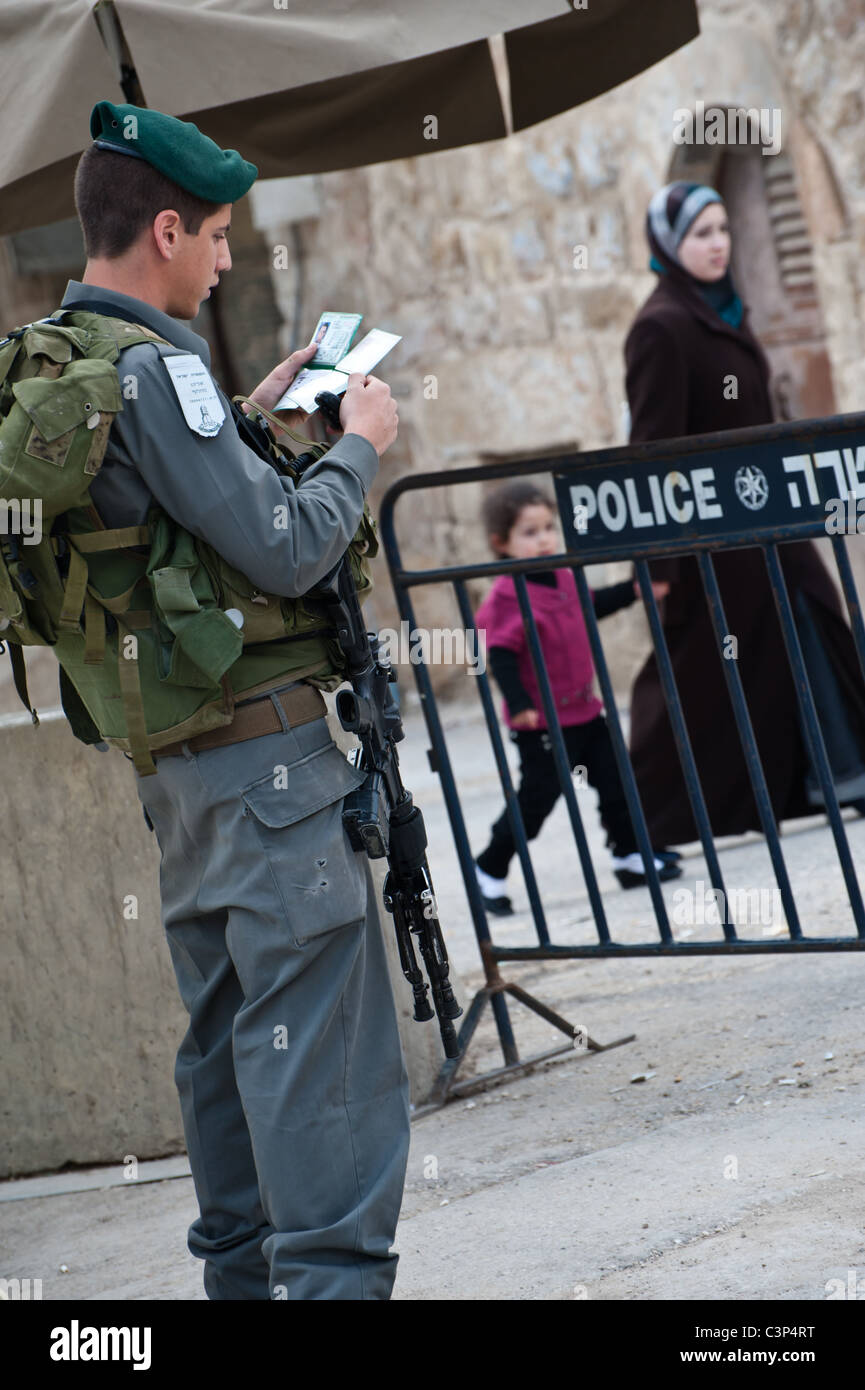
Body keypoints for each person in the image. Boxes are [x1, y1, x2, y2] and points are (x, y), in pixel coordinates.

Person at [52, 101, 410, 1300]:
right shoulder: (159, 368)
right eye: (213, 236)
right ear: (164, 228)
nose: (221, 260)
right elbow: (290, 549)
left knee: (224, 1053)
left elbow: (149, 530)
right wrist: (358, 442)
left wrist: (244, 421)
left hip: (182, 783)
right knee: (324, 1071)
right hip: (270, 782)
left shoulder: (71, 364)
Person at [625, 181, 865, 847]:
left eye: (722, 229)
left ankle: (838, 774)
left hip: (767, 521)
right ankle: (646, 819)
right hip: (711, 541)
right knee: (706, 674)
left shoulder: (724, 310)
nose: (717, 244)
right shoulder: (661, 326)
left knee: (814, 629)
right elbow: (652, 451)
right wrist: (664, 560)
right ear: (670, 244)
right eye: (700, 233)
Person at [472, 481, 681, 913]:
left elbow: (589, 604)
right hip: (541, 723)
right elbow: (501, 655)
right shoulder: (507, 596)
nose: (545, 538)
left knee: (616, 783)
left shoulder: (565, 576)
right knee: (537, 799)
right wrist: (521, 704)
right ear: (502, 543)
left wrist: (633, 592)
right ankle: (489, 868)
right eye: (529, 532)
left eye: (548, 527)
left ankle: (629, 856)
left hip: (587, 712)